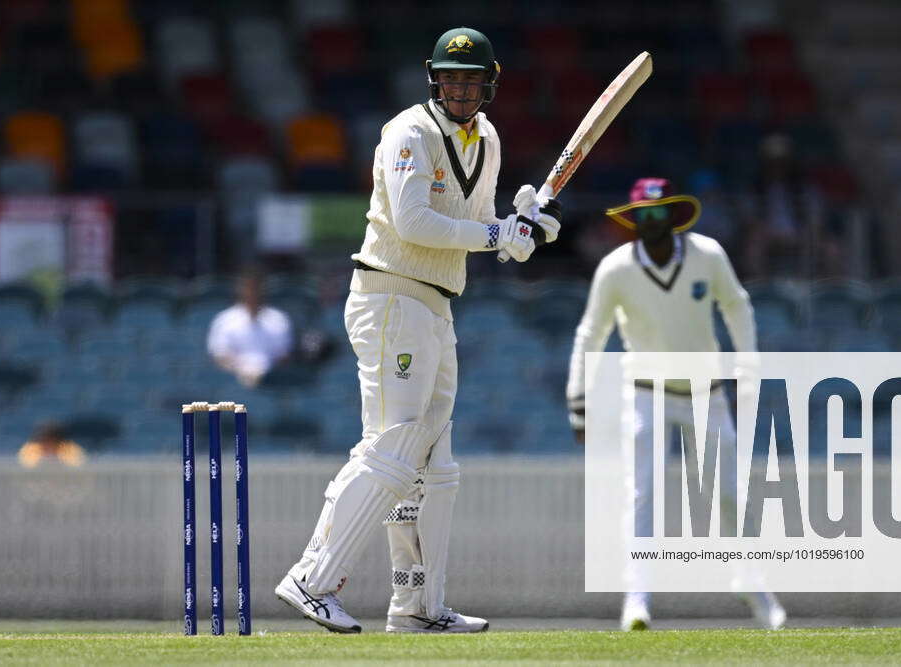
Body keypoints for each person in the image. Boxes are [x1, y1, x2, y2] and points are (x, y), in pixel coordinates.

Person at [274, 27, 561, 634]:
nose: (460, 89)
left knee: (436, 463)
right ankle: (311, 578)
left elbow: (480, 227)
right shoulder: (409, 132)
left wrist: (522, 229)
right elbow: (413, 222)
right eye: (450, 78)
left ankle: (418, 605)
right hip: (389, 294)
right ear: (435, 79)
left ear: (489, 84)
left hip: (436, 304)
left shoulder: (488, 138)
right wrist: (494, 235)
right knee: (394, 446)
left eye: (471, 79)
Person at [565, 177, 785, 631]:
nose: (651, 222)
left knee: (729, 492)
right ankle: (637, 599)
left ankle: (751, 581)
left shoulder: (706, 255)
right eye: (642, 215)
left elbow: (737, 305)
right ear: (632, 221)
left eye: (658, 213)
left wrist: (747, 368)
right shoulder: (616, 269)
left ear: (673, 216)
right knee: (643, 494)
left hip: (706, 394)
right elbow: (591, 333)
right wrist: (578, 400)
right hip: (646, 393)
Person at [206, 269, 293, 388]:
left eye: (256, 287)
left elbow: (284, 356)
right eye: (248, 287)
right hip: (233, 382)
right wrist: (243, 371)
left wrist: (262, 373)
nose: (252, 292)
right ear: (240, 289)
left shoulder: (278, 319)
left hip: (271, 381)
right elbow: (219, 355)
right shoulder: (224, 319)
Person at [18, 421, 85, 468]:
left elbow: (78, 467)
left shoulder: (70, 449)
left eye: (53, 441)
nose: (49, 445)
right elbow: (24, 468)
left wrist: (59, 458)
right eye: (46, 441)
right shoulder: (31, 450)